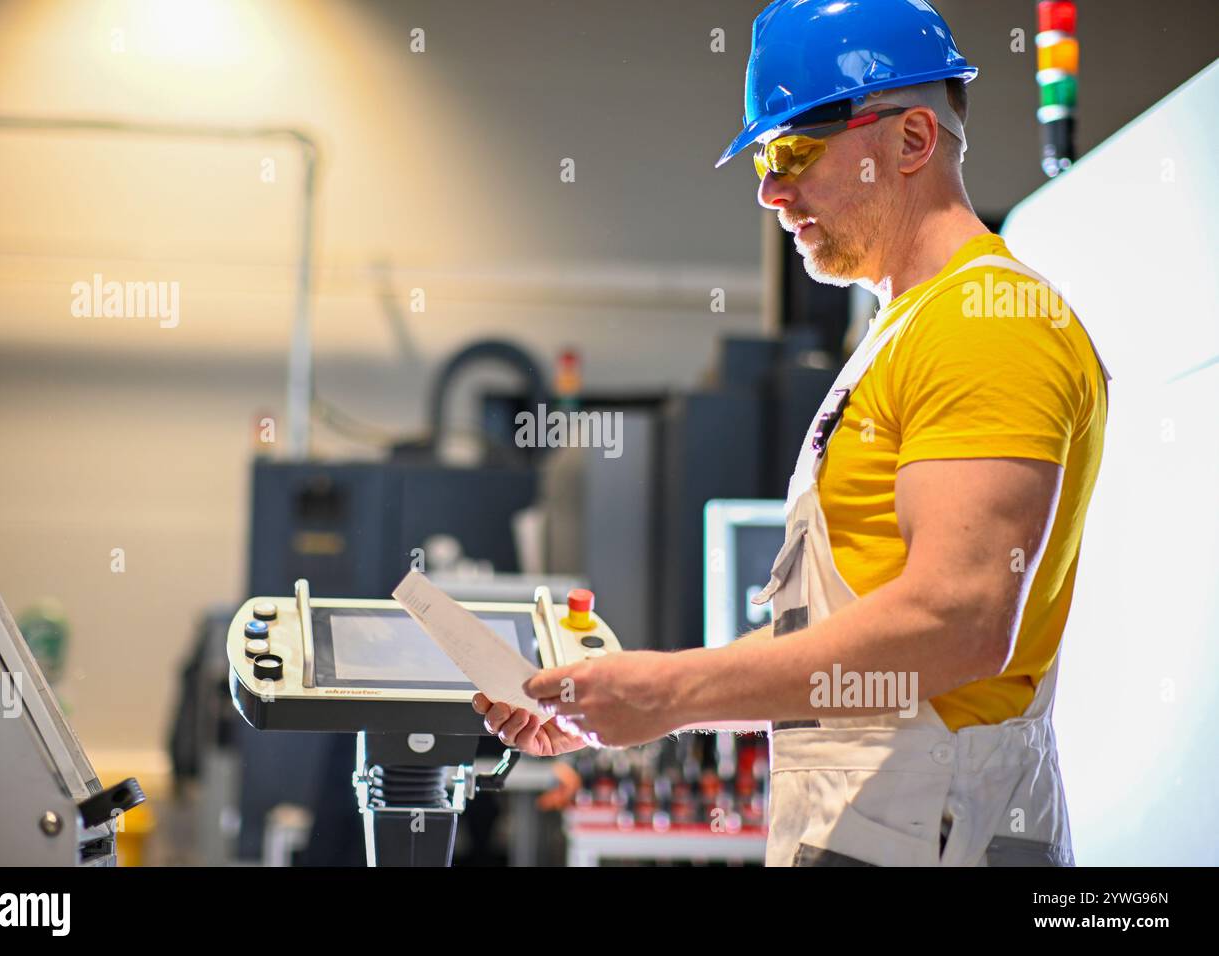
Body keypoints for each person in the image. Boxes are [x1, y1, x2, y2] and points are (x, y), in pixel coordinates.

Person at [475, 0, 1110, 866]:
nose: (772, 192)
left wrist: (675, 690)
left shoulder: (986, 325)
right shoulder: (904, 330)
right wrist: (625, 705)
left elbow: (959, 619)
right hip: (887, 828)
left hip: (941, 835)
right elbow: (848, 640)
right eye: (766, 160)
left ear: (914, 141)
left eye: (794, 153)